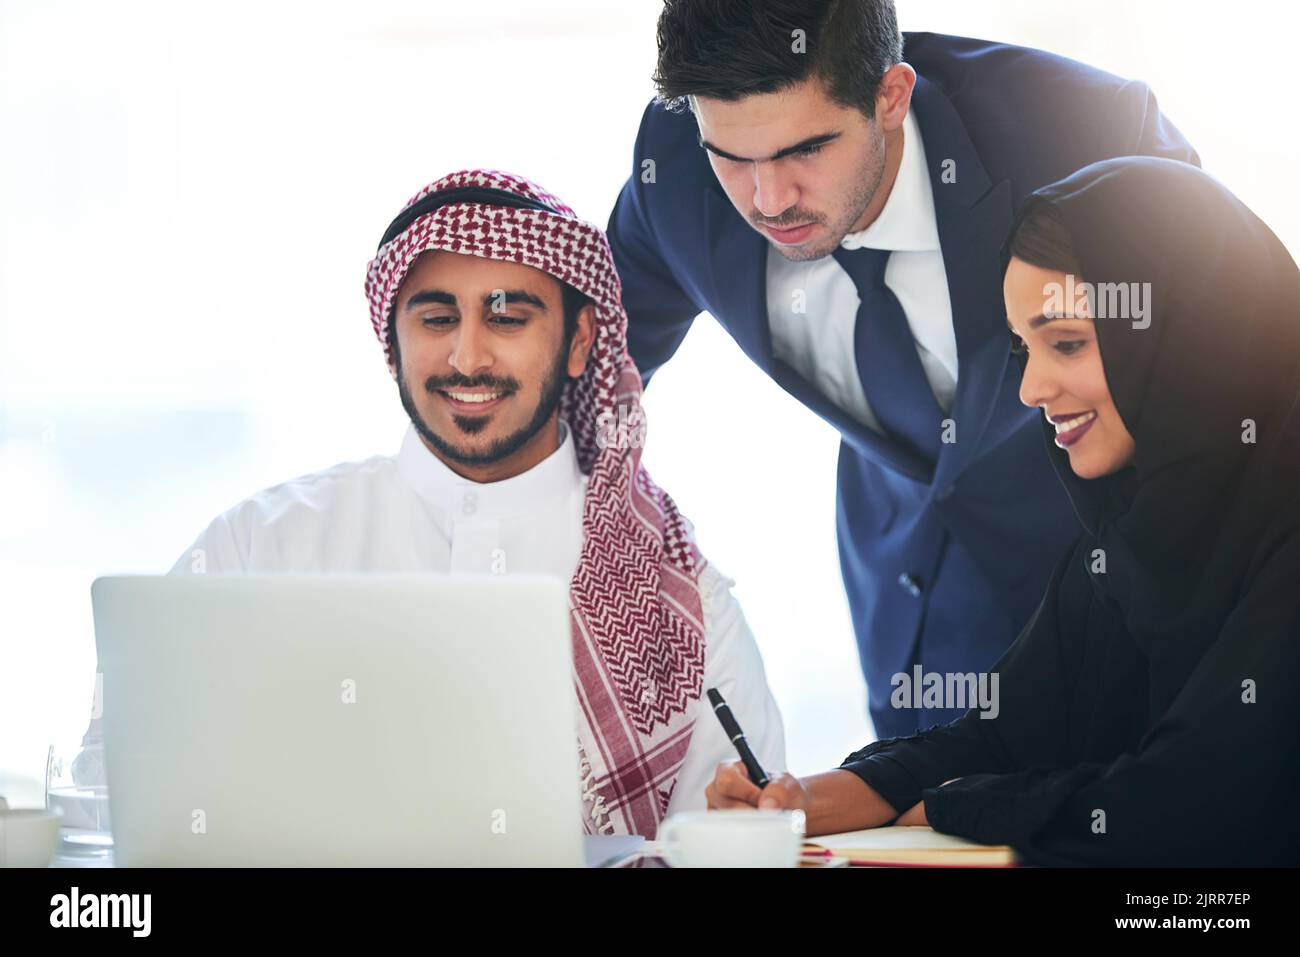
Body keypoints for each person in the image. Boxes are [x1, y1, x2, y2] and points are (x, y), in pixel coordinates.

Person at [608, 0, 1199, 737]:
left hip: (1120, 623)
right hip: (907, 621)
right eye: (732, 157)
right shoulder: (676, 176)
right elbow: (589, 370)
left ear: (890, 96)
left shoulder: (1091, 134)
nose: (767, 200)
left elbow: (1222, 390)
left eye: (804, 149)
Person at [706, 156, 1300, 866]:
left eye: (1068, 342)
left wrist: (962, 804)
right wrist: (801, 799)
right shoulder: (1127, 539)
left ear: (1187, 332)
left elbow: (1197, 804)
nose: (1032, 388)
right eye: (1024, 347)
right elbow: (998, 732)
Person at [168, 169, 786, 837]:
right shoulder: (258, 549)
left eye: (507, 317)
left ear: (580, 343)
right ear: (392, 343)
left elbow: (743, 838)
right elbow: (122, 799)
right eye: (436, 318)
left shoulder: (682, 598)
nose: (467, 356)